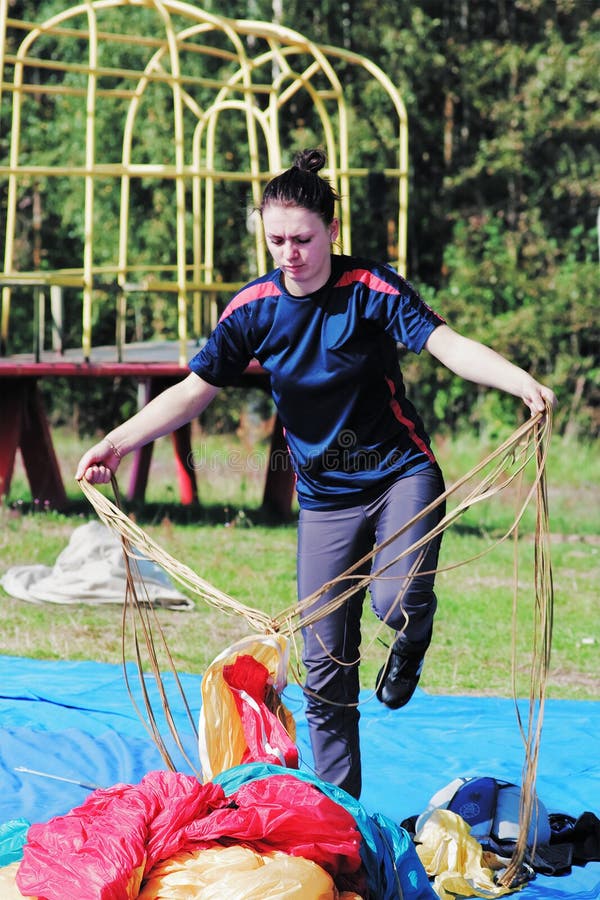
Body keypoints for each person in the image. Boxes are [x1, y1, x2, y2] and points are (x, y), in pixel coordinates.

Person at [76, 148, 556, 800]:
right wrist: (116, 442)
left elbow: (445, 343)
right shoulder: (253, 309)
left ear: (332, 230)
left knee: (393, 601)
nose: (289, 252)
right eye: (276, 239)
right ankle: (342, 824)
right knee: (326, 671)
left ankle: (413, 636)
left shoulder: (370, 290)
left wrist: (518, 381)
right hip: (325, 500)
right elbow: (194, 390)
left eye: (302, 238)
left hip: (399, 478)